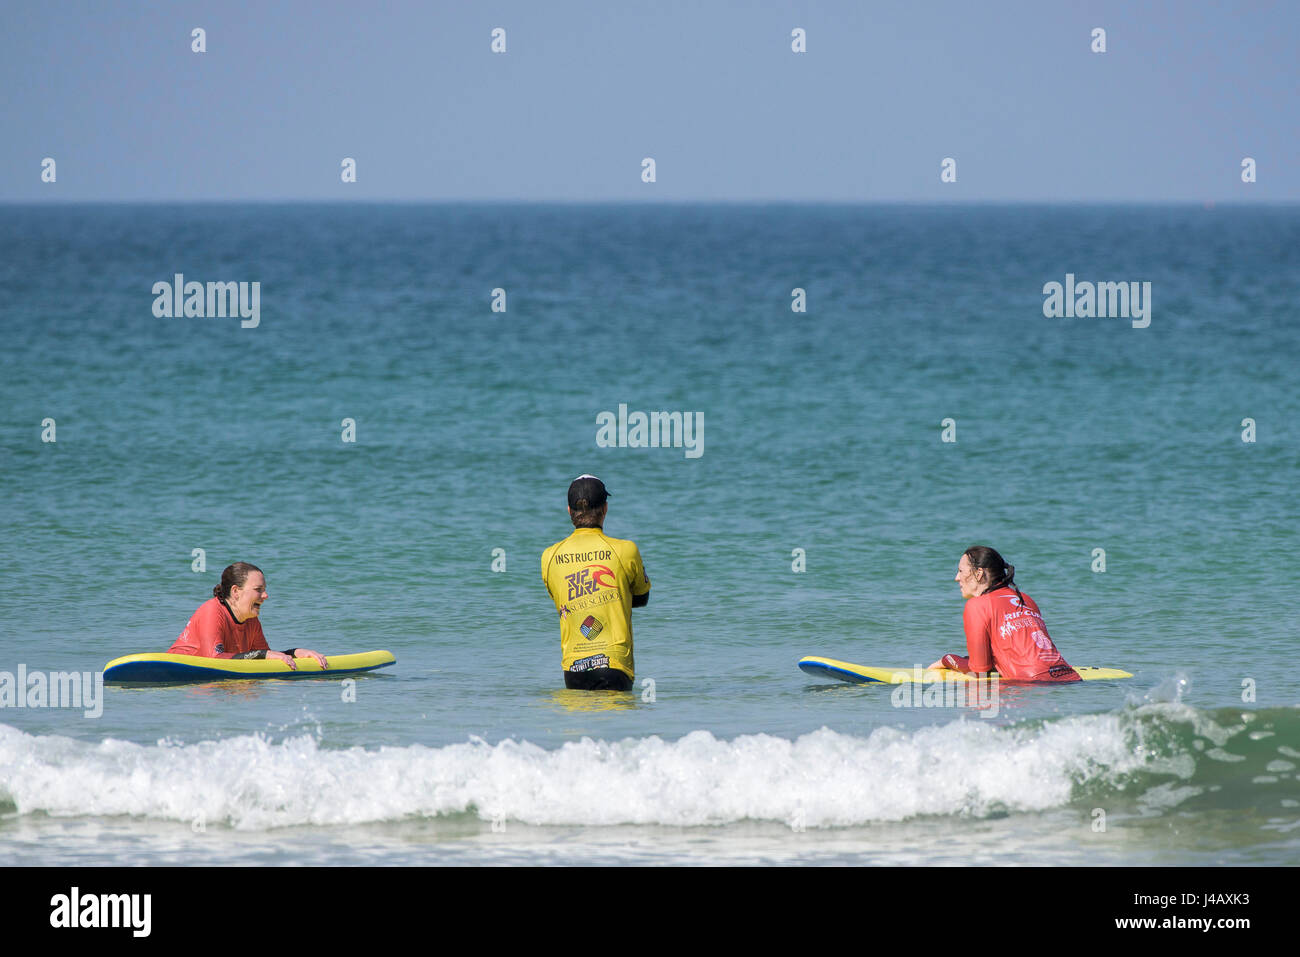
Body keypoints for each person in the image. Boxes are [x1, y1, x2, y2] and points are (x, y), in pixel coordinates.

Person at [541, 475, 650, 691]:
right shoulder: (625, 550)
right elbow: (641, 598)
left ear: (569, 511)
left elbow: (560, 599)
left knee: (577, 724)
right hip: (614, 664)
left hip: (573, 668)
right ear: (605, 509)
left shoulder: (549, 556)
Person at [928, 546, 1079, 682]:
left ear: (978, 573)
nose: (957, 578)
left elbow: (980, 671)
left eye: (961, 571)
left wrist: (947, 659)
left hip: (1032, 687)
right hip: (1070, 679)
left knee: (974, 700)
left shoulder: (976, 606)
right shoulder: (1025, 599)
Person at [169, 562, 328, 670]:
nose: (265, 595)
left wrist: (295, 653)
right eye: (258, 589)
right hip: (176, 679)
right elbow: (214, 660)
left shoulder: (251, 620)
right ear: (235, 592)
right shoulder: (211, 612)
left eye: (264, 589)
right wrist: (263, 655)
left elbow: (265, 657)